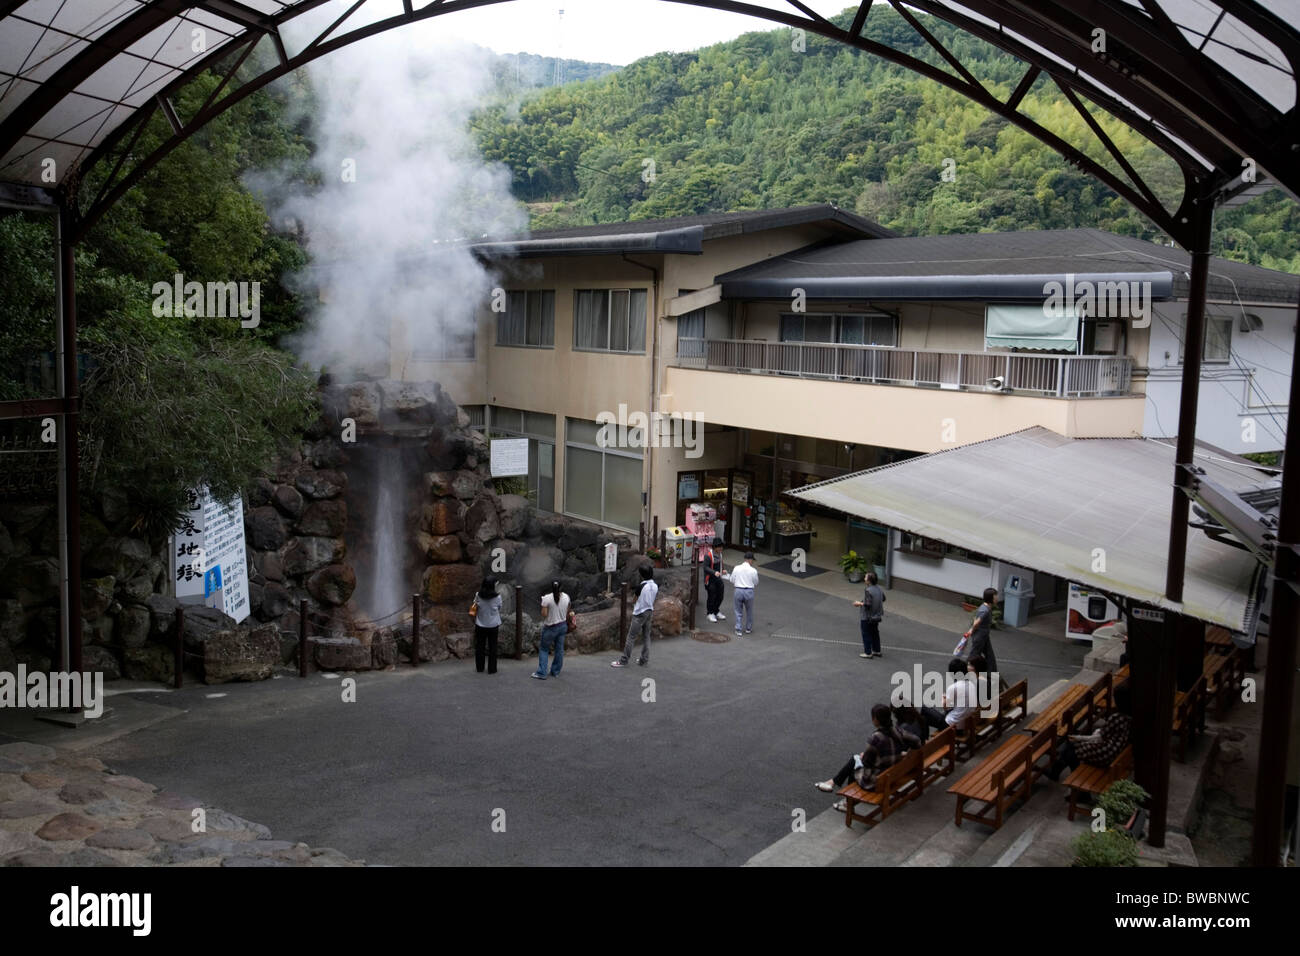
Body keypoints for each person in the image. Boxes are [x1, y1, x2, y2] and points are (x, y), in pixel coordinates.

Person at [813, 704, 921, 807]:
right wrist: (904, 754)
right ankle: (833, 784)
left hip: (875, 782)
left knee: (854, 763)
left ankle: (846, 801)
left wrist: (862, 756)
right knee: (855, 760)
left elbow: (866, 763)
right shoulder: (899, 730)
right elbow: (917, 741)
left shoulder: (876, 738)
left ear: (876, 720)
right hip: (892, 774)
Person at [1044, 684, 1132, 781]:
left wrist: (1080, 738)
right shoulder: (1128, 717)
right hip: (1112, 752)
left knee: (1070, 749)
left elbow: (1099, 737)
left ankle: (1073, 781)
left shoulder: (1117, 717)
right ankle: (1057, 772)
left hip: (1105, 754)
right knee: (1070, 746)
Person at [922, 656, 984, 731]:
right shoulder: (971, 684)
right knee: (925, 717)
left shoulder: (954, 687)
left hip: (953, 726)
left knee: (925, 709)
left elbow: (945, 707)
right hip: (967, 723)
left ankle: (925, 739)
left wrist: (943, 697)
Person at [612, 565, 657, 667]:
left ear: (642, 575)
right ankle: (644, 660)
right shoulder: (655, 585)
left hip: (640, 613)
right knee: (646, 637)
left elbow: (634, 599)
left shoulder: (641, 586)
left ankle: (624, 660)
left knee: (631, 637)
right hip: (649, 611)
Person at [533, 580, 570, 680]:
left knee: (544, 649)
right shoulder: (566, 597)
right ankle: (555, 671)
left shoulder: (547, 598)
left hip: (550, 627)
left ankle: (542, 673)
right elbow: (567, 611)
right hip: (562, 626)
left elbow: (544, 614)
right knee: (559, 650)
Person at [471, 576, 503, 675]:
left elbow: (475, 605)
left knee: (480, 646)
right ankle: (492, 669)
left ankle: (480, 667)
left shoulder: (478, 595)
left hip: (480, 624)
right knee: (493, 647)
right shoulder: (497, 597)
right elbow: (499, 607)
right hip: (493, 625)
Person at [853, 571, 886, 659]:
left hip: (867, 617)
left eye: (865, 577)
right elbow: (883, 598)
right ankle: (877, 650)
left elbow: (867, 605)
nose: (864, 578)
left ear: (869, 581)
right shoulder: (879, 588)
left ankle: (868, 653)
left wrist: (859, 603)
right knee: (875, 633)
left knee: (866, 634)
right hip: (876, 616)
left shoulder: (868, 590)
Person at [730, 551, 759, 636]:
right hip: (749, 591)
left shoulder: (736, 568)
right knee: (749, 611)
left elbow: (732, 580)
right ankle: (748, 628)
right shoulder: (753, 570)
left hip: (738, 590)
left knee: (738, 611)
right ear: (750, 560)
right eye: (752, 560)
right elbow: (756, 582)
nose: (752, 562)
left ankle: (738, 629)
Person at [701, 536, 726, 623]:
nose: (721, 548)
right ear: (714, 547)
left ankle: (716, 610)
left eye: (721, 546)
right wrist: (714, 572)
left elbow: (721, 564)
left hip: (718, 578)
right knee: (712, 596)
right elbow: (705, 568)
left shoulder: (720, 555)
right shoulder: (708, 556)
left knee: (720, 595)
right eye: (719, 547)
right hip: (710, 579)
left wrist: (723, 570)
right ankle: (710, 613)